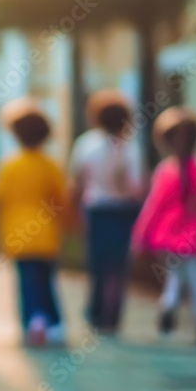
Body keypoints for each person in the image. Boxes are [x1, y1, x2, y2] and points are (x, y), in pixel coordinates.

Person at [131, 107, 196, 345]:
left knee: (175, 276)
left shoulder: (165, 172)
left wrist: (140, 237)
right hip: (195, 239)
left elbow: (152, 208)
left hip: (169, 238)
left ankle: (169, 305)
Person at [0, 100, 66, 346]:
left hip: (17, 234)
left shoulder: (8, 166)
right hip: (46, 234)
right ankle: (54, 323)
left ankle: (31, 321)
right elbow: (61, 200)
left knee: (26, 283)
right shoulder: (50, 165)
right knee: (47, 280)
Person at [69, 90, 145, 334]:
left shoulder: (86, 144)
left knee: (97, 263)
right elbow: (135, 187)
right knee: (118, 266)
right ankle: (112, 315)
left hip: (96, 209)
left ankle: (96, 311)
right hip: (123, 211)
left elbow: (77, 182)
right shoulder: (129, 148)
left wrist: (72, 214)